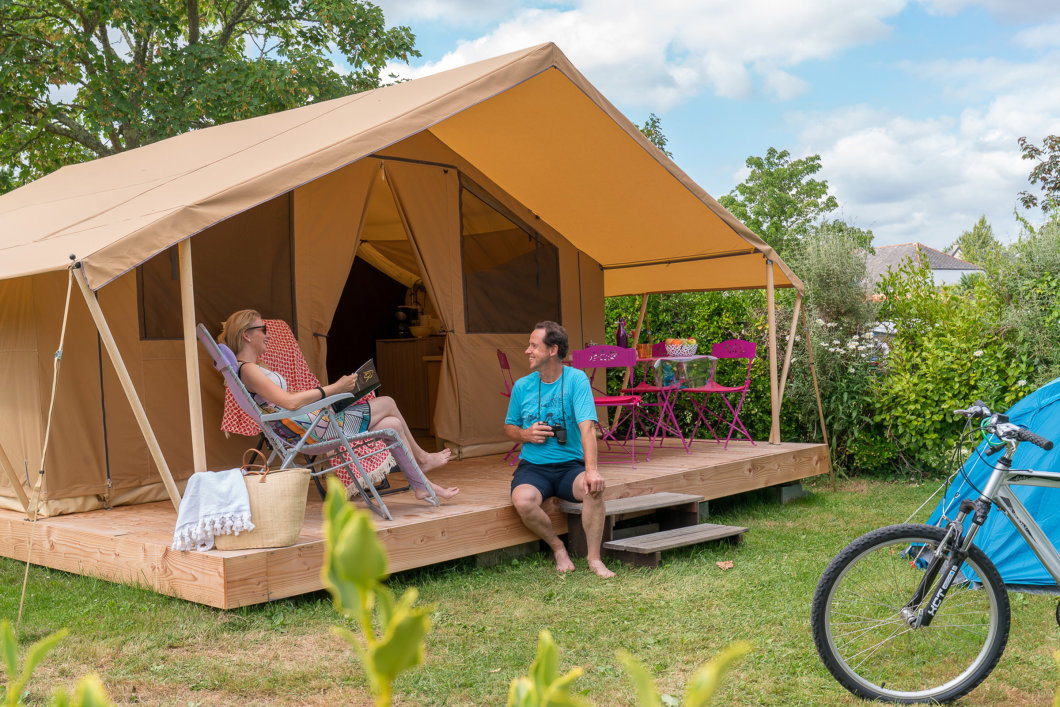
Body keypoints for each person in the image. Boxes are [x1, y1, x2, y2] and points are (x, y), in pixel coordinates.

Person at [220, 309, 458, 502]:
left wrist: (326, 397)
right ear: (246, 335)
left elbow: (284, 399)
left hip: (309, 428)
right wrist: (335, 389)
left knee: (392, 424)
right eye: (263, 329)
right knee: (387, 402)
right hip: (316, 433)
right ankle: (423, 460)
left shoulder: (247, 370)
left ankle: (421, 486)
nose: (268, 335)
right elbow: (289, 402)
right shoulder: (248, 369)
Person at [504, 321, 615, 577]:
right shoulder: (522, 386)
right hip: (533, 467)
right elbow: (509, 427)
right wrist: (525, 434)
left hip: (569, 466)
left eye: (534, 345)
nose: (527, 351)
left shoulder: (576, 380)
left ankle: (594, 559)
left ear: (552, 349)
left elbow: (587, 427)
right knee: (522, 500)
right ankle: (558, 547)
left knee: (593, 490)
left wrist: (591, 471)